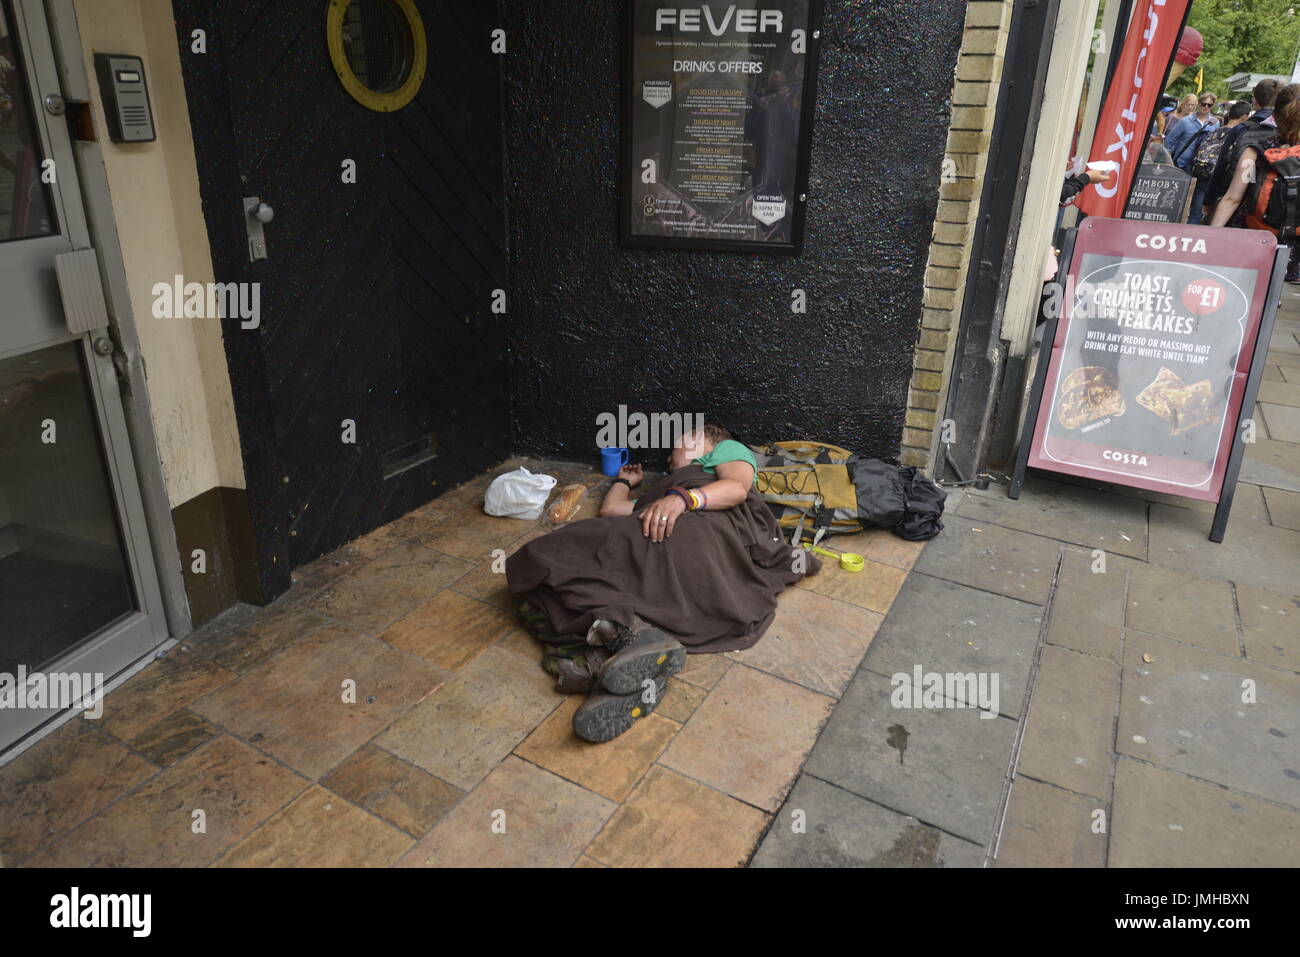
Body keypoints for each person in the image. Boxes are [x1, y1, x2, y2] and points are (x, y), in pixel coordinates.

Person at [506, 422, 820, 742]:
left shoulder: (726, 452)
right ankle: (619, 665)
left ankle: (612, 647)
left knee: (543, 560)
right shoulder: (665, 496)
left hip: (698, 536)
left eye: (676, 447)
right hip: (670, 550)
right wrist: (625, 482)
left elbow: (737, 489)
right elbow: (612, 509)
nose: (670, 458)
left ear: (703, 440)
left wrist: (685, 499)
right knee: (561, 584)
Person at [1209, 93, 1300, 283]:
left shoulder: (1255, 152)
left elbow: (1232, 198)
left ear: (1275, 116)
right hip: (1294, 250)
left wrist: (1212, 239)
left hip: (1254, 237)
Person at [1202, 78, 1282, 215]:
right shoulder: (1285, 130)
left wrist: (1208, 200)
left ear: (1255, 101)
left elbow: (1221, 166)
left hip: (1234, 196)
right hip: (1270, 202)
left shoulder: (1241, 129)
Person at [1164, 91, 1219, 223]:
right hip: (1182, 167)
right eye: (1203, 104)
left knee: (1197, 206)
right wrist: (1169, 162)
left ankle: (1190, 230)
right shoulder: (1185, 122)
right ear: (1198, 104)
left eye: (1209, 105)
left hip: (1203, 169)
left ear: (1213, 106)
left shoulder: (1215, 123)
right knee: (1176, 202)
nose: (1205, 107)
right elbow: (1169, 142)